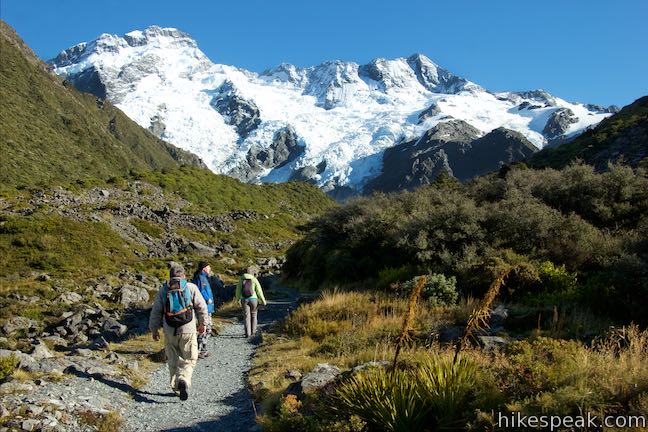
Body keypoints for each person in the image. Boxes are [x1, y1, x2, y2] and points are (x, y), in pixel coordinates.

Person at [149, 264, 208, 401]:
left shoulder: (164, 289)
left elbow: (156, 311)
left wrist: (154, 329)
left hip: (169, 328)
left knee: (173, 358)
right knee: (190, 357)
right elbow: (201, 306)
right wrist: (202, 323)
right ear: (184, 276)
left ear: (170, 276)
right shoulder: (191, 287)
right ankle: (184, 379)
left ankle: (176, 386)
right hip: (188, 328)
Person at [236, 266, 267, 338]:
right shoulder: (254, 279)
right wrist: (263, 300)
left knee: (246, 316)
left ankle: (247, 333)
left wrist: (238, 299)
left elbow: (238, 290)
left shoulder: (241, 279)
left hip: (244, 299)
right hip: (254, 299)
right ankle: (253, 332)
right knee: (254, 315)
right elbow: (259, 291)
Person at [192, 261, 214, 359]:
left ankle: (202, 349)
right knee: (204, 328)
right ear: (204, 268)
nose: (210, 269)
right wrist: (207, 299)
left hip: (207, 308)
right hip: (203, 308)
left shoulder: (203, 278)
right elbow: (199, 291)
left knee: (207, 329)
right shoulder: (200, 278)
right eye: (208, 267)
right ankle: (199, 350)